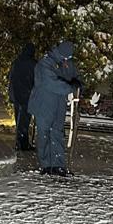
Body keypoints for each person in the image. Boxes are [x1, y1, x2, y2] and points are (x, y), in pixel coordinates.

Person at [27, 39, 81, 176]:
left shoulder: (65, 62)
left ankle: (58, 165)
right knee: (44, 135)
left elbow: (75, 78)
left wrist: (77, 83)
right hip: (43, 104)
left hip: (58, 104)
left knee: (57, 133)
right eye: (66, 57)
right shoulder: (45, 63)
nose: (67, 60)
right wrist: (71, 87)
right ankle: (46, 165)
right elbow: (52, 83)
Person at [7, 42, 36, 151]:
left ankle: (21, 142)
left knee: (19, 119)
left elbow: (11, 78)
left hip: (16, 95)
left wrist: (11, 94)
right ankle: (22, 144)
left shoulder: (16, 62)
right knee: (24, 121)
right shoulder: (33, 64)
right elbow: (36, 81)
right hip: (27, 96)